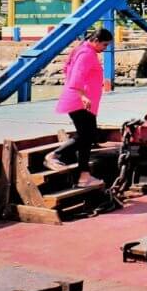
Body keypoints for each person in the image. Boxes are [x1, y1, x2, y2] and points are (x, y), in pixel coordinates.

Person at [46, 28, 113, 188]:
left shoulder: (80, 50)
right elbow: (76, 75)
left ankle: (84, 176)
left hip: (83, 101)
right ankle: (56, 155)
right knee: (87, 135)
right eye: (104, 44)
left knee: (87, 136)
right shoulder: (87, 54)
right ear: (96, 40)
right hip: (81, 102)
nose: (105, 48)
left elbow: (66, 69)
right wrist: (82, 95)